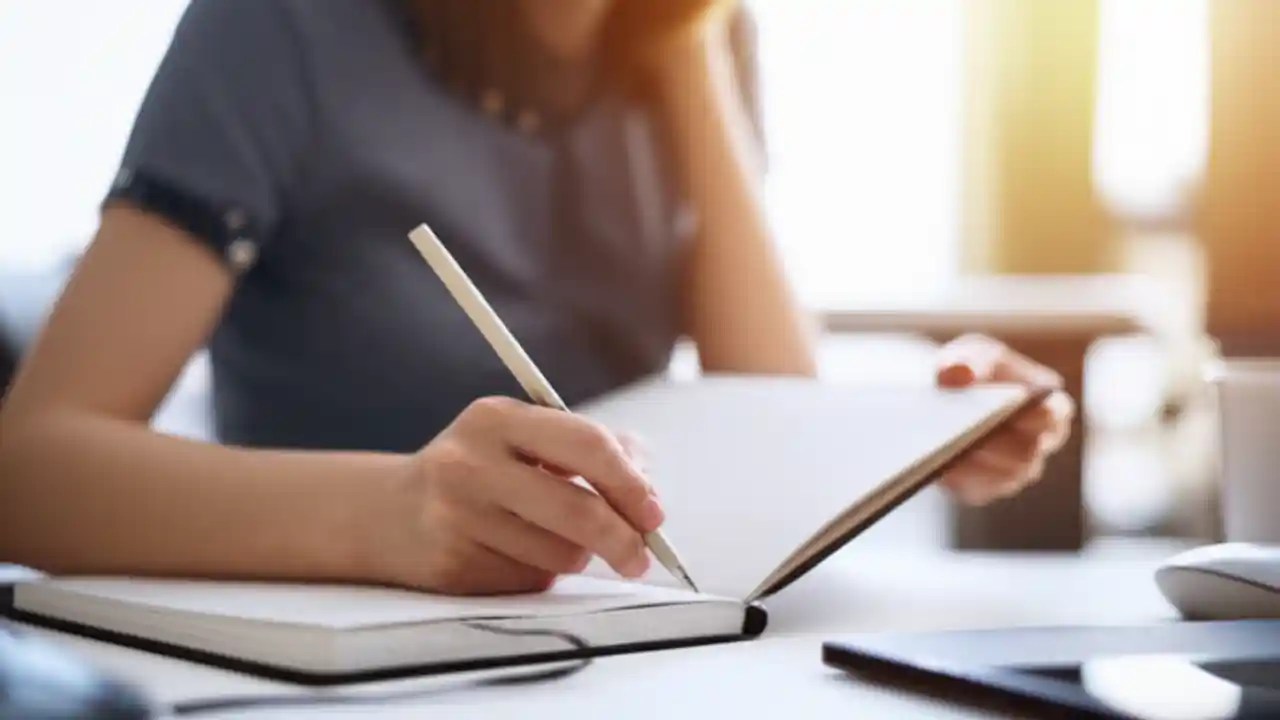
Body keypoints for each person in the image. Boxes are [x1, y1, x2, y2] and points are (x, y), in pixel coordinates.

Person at [0, 0, 1073, 595]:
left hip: (613, 655)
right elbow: (31, 475)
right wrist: (396, 514)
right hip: (349, 666)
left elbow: (768, 404)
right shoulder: (280, 29)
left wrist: (917, 428)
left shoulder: (693, 36)